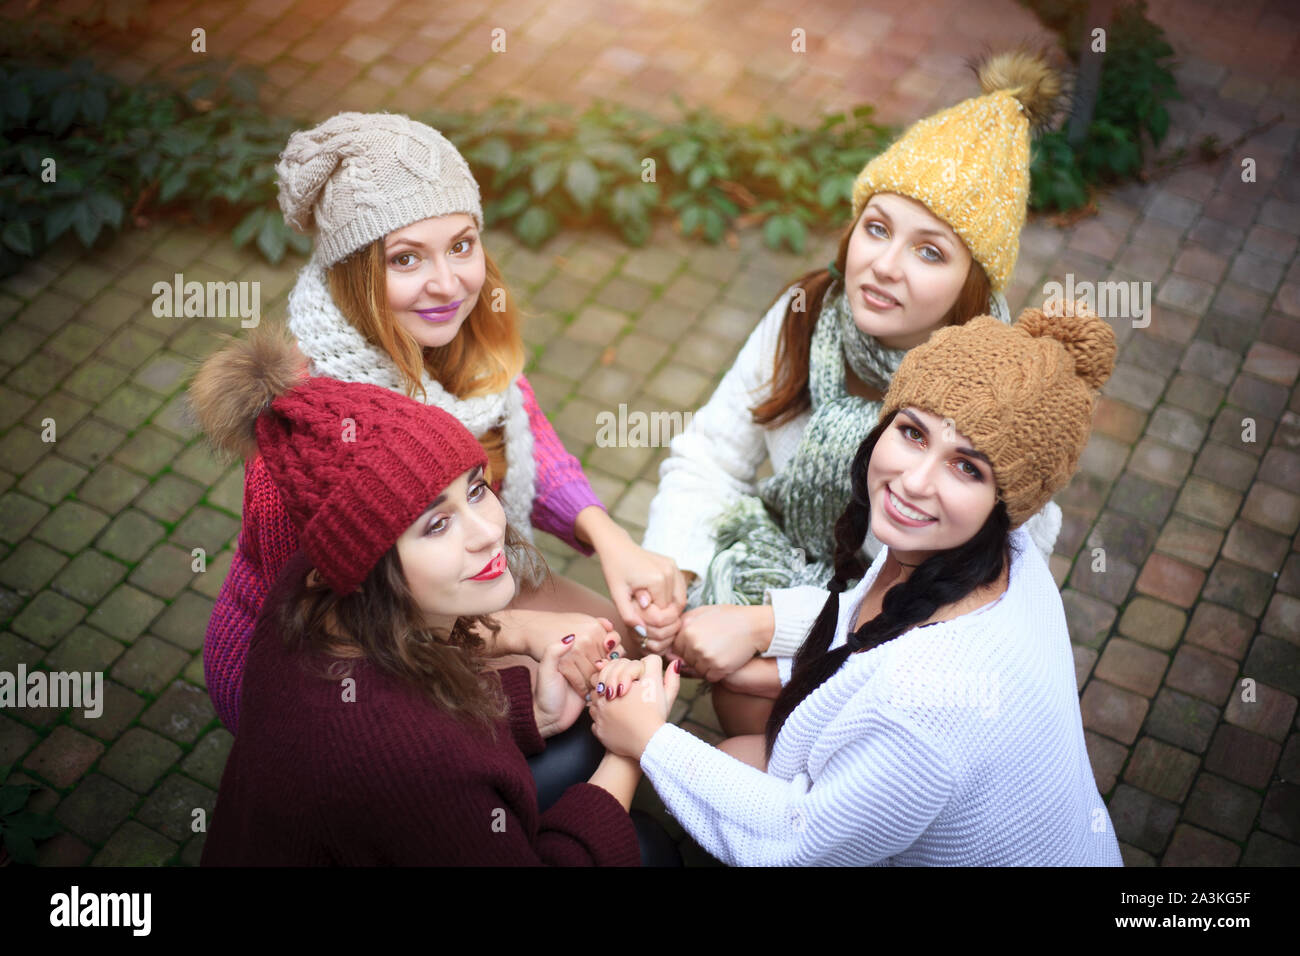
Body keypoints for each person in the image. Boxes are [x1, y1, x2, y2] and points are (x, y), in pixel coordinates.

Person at [587, 302, 1125, 866]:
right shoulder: (990, 555)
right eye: (913, 433)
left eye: (967, 467)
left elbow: (798, 845)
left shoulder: (925, 709)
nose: (915, 482)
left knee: (724, 766)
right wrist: (763, 631)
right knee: (739, 723)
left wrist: (649, 741)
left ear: (1006, 502)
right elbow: (874, 628)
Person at [201, 112, 683, 734]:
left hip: (459, 582)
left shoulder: (457, 336)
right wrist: (522, 631)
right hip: (329, 668)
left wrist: (611, 541)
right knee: (592, 698)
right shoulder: (309, 430)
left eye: (461, 245)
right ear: (353, 273)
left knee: (631, 648)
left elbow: (525, 440)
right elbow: (337, 628)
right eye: (406, 259)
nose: (449, 284)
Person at [639, 50, 1067, 714]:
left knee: (749, 706)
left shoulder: (999, 397)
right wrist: (675, 571)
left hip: (902, 646)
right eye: (877, 228)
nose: (884, 265)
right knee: (690, 670)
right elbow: (712, 455)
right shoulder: (809, 314)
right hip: (787, 567)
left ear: (974, 284)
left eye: (929, 251)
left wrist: (776, 645)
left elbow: (957, 605)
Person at [197, 330, 652, 865]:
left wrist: (534, 712)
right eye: (436, 525)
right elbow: (424, 753)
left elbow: (424, 704)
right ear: (364, 566)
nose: (488, 531)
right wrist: (631, 752)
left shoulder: (307, 598)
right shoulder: (407, 760)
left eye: (476, 490)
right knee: (649, 848)